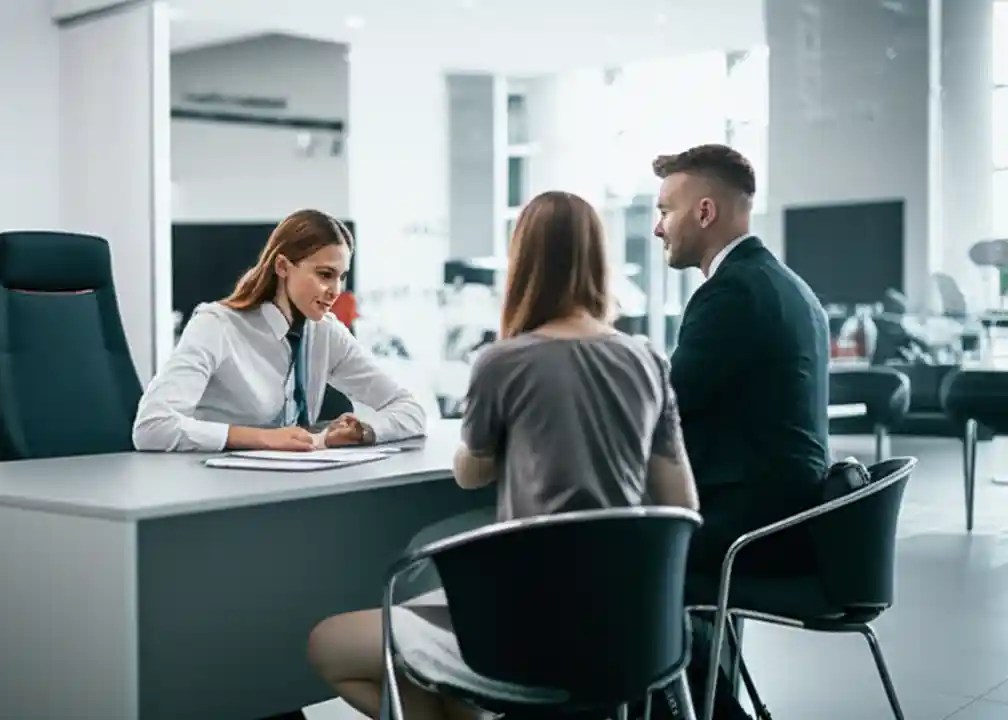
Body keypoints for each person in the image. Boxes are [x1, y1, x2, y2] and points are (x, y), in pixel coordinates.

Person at [306, 191, 699, 720]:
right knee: (452, 686)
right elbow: (681, 502)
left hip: (525, 637)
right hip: (633, 633)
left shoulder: (502, 362)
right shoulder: (648, 360)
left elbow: (471, 473)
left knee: (328, 645)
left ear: (524, 264)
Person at [652, 144, 830, 717]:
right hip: (789, 512)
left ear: (704, 213)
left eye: (666, 211)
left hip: (753, 524)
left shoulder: (731, 293)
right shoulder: (785, 285)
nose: (658, 229)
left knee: (624, 559)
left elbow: (664, 407)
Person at [131, 209, 425, 452]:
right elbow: (152, 426)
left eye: (341, 276)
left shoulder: (324, 333)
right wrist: (261, 438)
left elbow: (410, 410)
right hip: (211, 489)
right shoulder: (216, 326)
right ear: (283, 267)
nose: (335, 290)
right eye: (324, 275)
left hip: (289, 488)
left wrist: (364, 431)